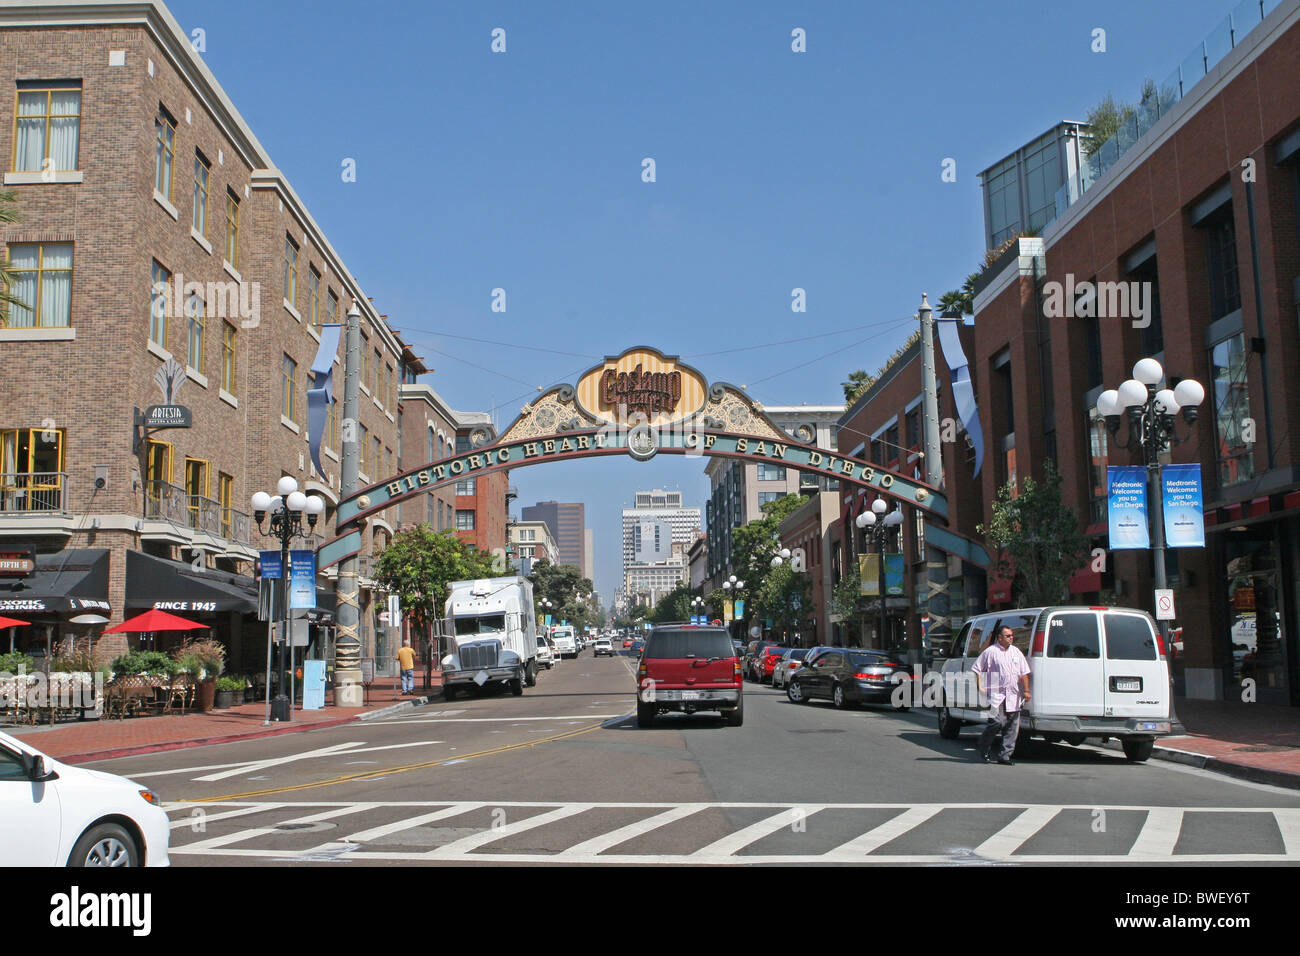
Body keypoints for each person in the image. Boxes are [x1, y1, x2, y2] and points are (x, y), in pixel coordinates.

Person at [970, 624, 1031, 765]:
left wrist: (1026, 690)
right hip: (996, 696)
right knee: (996, 722)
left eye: (1012, 635)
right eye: (1008, 636)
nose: (1011, 638)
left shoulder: (1016, 652)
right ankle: (984, 746)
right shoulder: (990, 652)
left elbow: (1024, 673)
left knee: (1012, 727)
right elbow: (977, 669)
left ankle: (1005, 756)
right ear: (999, 638)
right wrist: (980, 687)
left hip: (1013, 696)